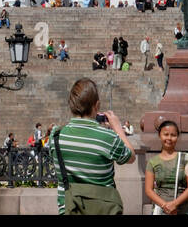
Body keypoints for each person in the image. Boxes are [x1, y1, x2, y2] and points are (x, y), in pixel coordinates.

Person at [51, 78, 136, 214]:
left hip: (69, 208)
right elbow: (131, 157)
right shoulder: (108, 137)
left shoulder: (55, 135)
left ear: (71, 105)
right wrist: (118, 128)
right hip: (104, 209)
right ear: (97, 105)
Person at [145, 118, 188, 215]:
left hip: (182, 210)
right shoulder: (152, 162)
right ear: (159, 135)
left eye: (173, 135)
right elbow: (148, 190)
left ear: (177, 137)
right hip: (160, 210)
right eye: (166, 134)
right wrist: (165, 205)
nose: (169, 138)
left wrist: (174, 204)